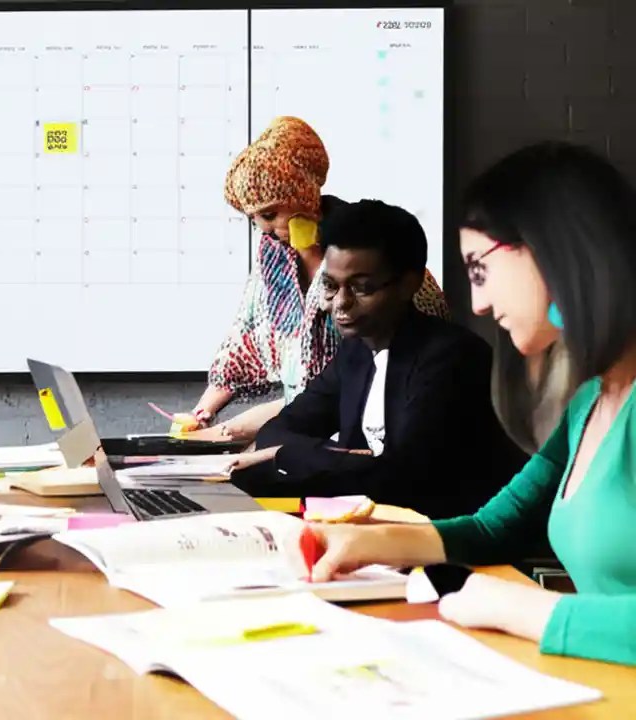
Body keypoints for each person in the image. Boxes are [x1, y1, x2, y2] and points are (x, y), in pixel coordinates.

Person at [305, 141, 636, 666]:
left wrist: (524, 609)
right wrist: (361, 544)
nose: (477, 302)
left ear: (555, 249)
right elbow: (490, 529)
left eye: (479, 269)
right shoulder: (591, 399)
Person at [229, 200, 525, 519]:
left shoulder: (451, 358)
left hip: (446, 543)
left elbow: (399, 477)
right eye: (330, 286)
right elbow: (278, 430)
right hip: (372, 528)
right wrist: (309, 453)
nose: (340, 303)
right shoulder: (355, 353)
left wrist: (290, 456)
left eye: (362, 288)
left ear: (409, 284)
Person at [189, 116, 448, 441]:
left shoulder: (367, 243)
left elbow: (421, 332)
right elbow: (250, 336)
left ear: (304, 196)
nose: (264, 229)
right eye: (254, 220)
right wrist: (204, 411)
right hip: (307, 419)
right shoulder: (272, 258)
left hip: (377, 424)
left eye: (270, 215)